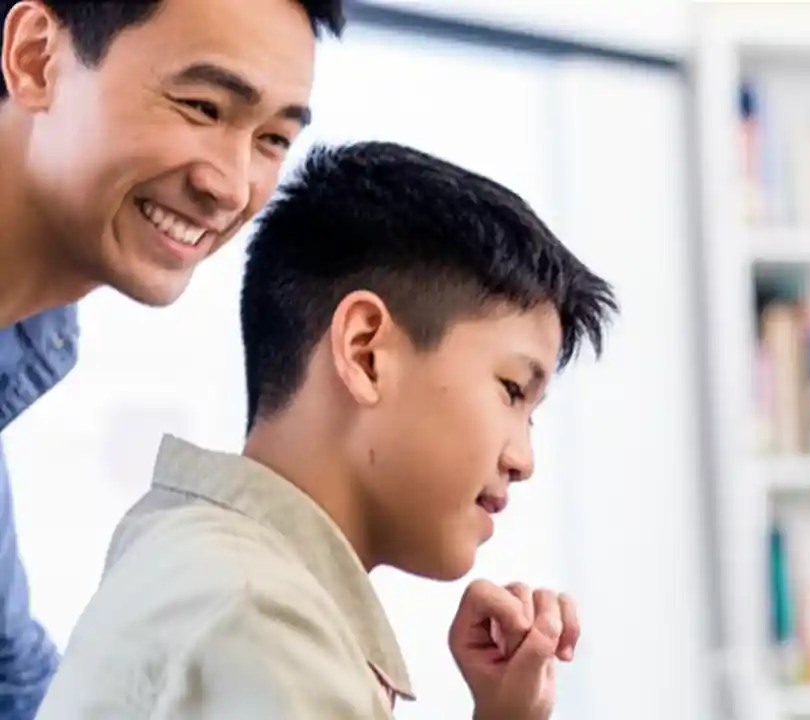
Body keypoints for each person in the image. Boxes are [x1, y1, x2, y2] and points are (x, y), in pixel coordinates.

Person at [35, 140, 617, 719]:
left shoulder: (199, 560)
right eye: (511, 390)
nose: (524, 459)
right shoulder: (263, 617)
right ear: (366, 352)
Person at [0, 0, 343, 715]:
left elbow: (24, 687)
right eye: (201, 107)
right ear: (36, 59)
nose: (231, 184)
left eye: (273, 140)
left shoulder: (34, 340)